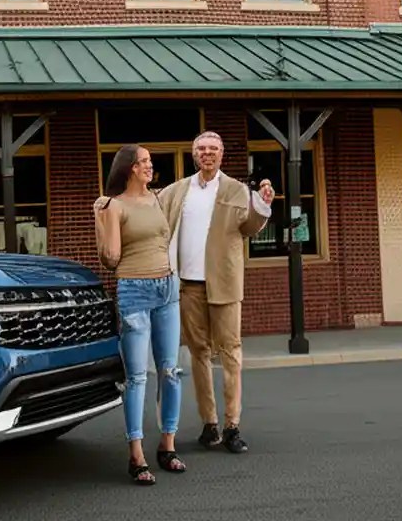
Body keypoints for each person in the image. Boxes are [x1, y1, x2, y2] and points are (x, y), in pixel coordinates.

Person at [157, 130, 273, 455]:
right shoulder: (177, 190)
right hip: (188, 284)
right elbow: (153, 217)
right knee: (199, 353)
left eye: (213, 148)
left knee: (230, 352)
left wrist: (262, 205)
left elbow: (249, 228)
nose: (207, 153)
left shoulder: (237, 189)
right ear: (194, 154)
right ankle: (209, 424)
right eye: (202, 148)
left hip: (224, 282)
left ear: (221, 155)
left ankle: (232, 425)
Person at [94, 144, 185, 486]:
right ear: (131, 167)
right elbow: (111, 258)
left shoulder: (158, 199)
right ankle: (136, 454)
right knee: (137, 377)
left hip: (167, 289)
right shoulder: (114, 206)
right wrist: (101, 221)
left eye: (149, 161)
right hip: (134, 290)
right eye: (145, 161)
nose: (150, 166)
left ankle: (168, 445)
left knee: (171, 371)